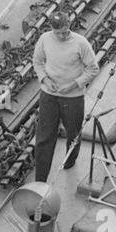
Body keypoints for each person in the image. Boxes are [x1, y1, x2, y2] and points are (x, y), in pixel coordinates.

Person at [32, 11, 100, 181]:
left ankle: (70, 161)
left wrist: (74, 85)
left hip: (73, 97)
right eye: (58, 33)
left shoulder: (80, 43)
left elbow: (93, 69)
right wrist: (45, 79)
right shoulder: (44, 39)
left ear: (69, 25)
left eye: (65, 32)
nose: (62, 36)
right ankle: (40, 179)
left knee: (73, 133)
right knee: (44, 136)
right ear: (51, 28)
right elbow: (37, 62)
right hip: (49, 95)